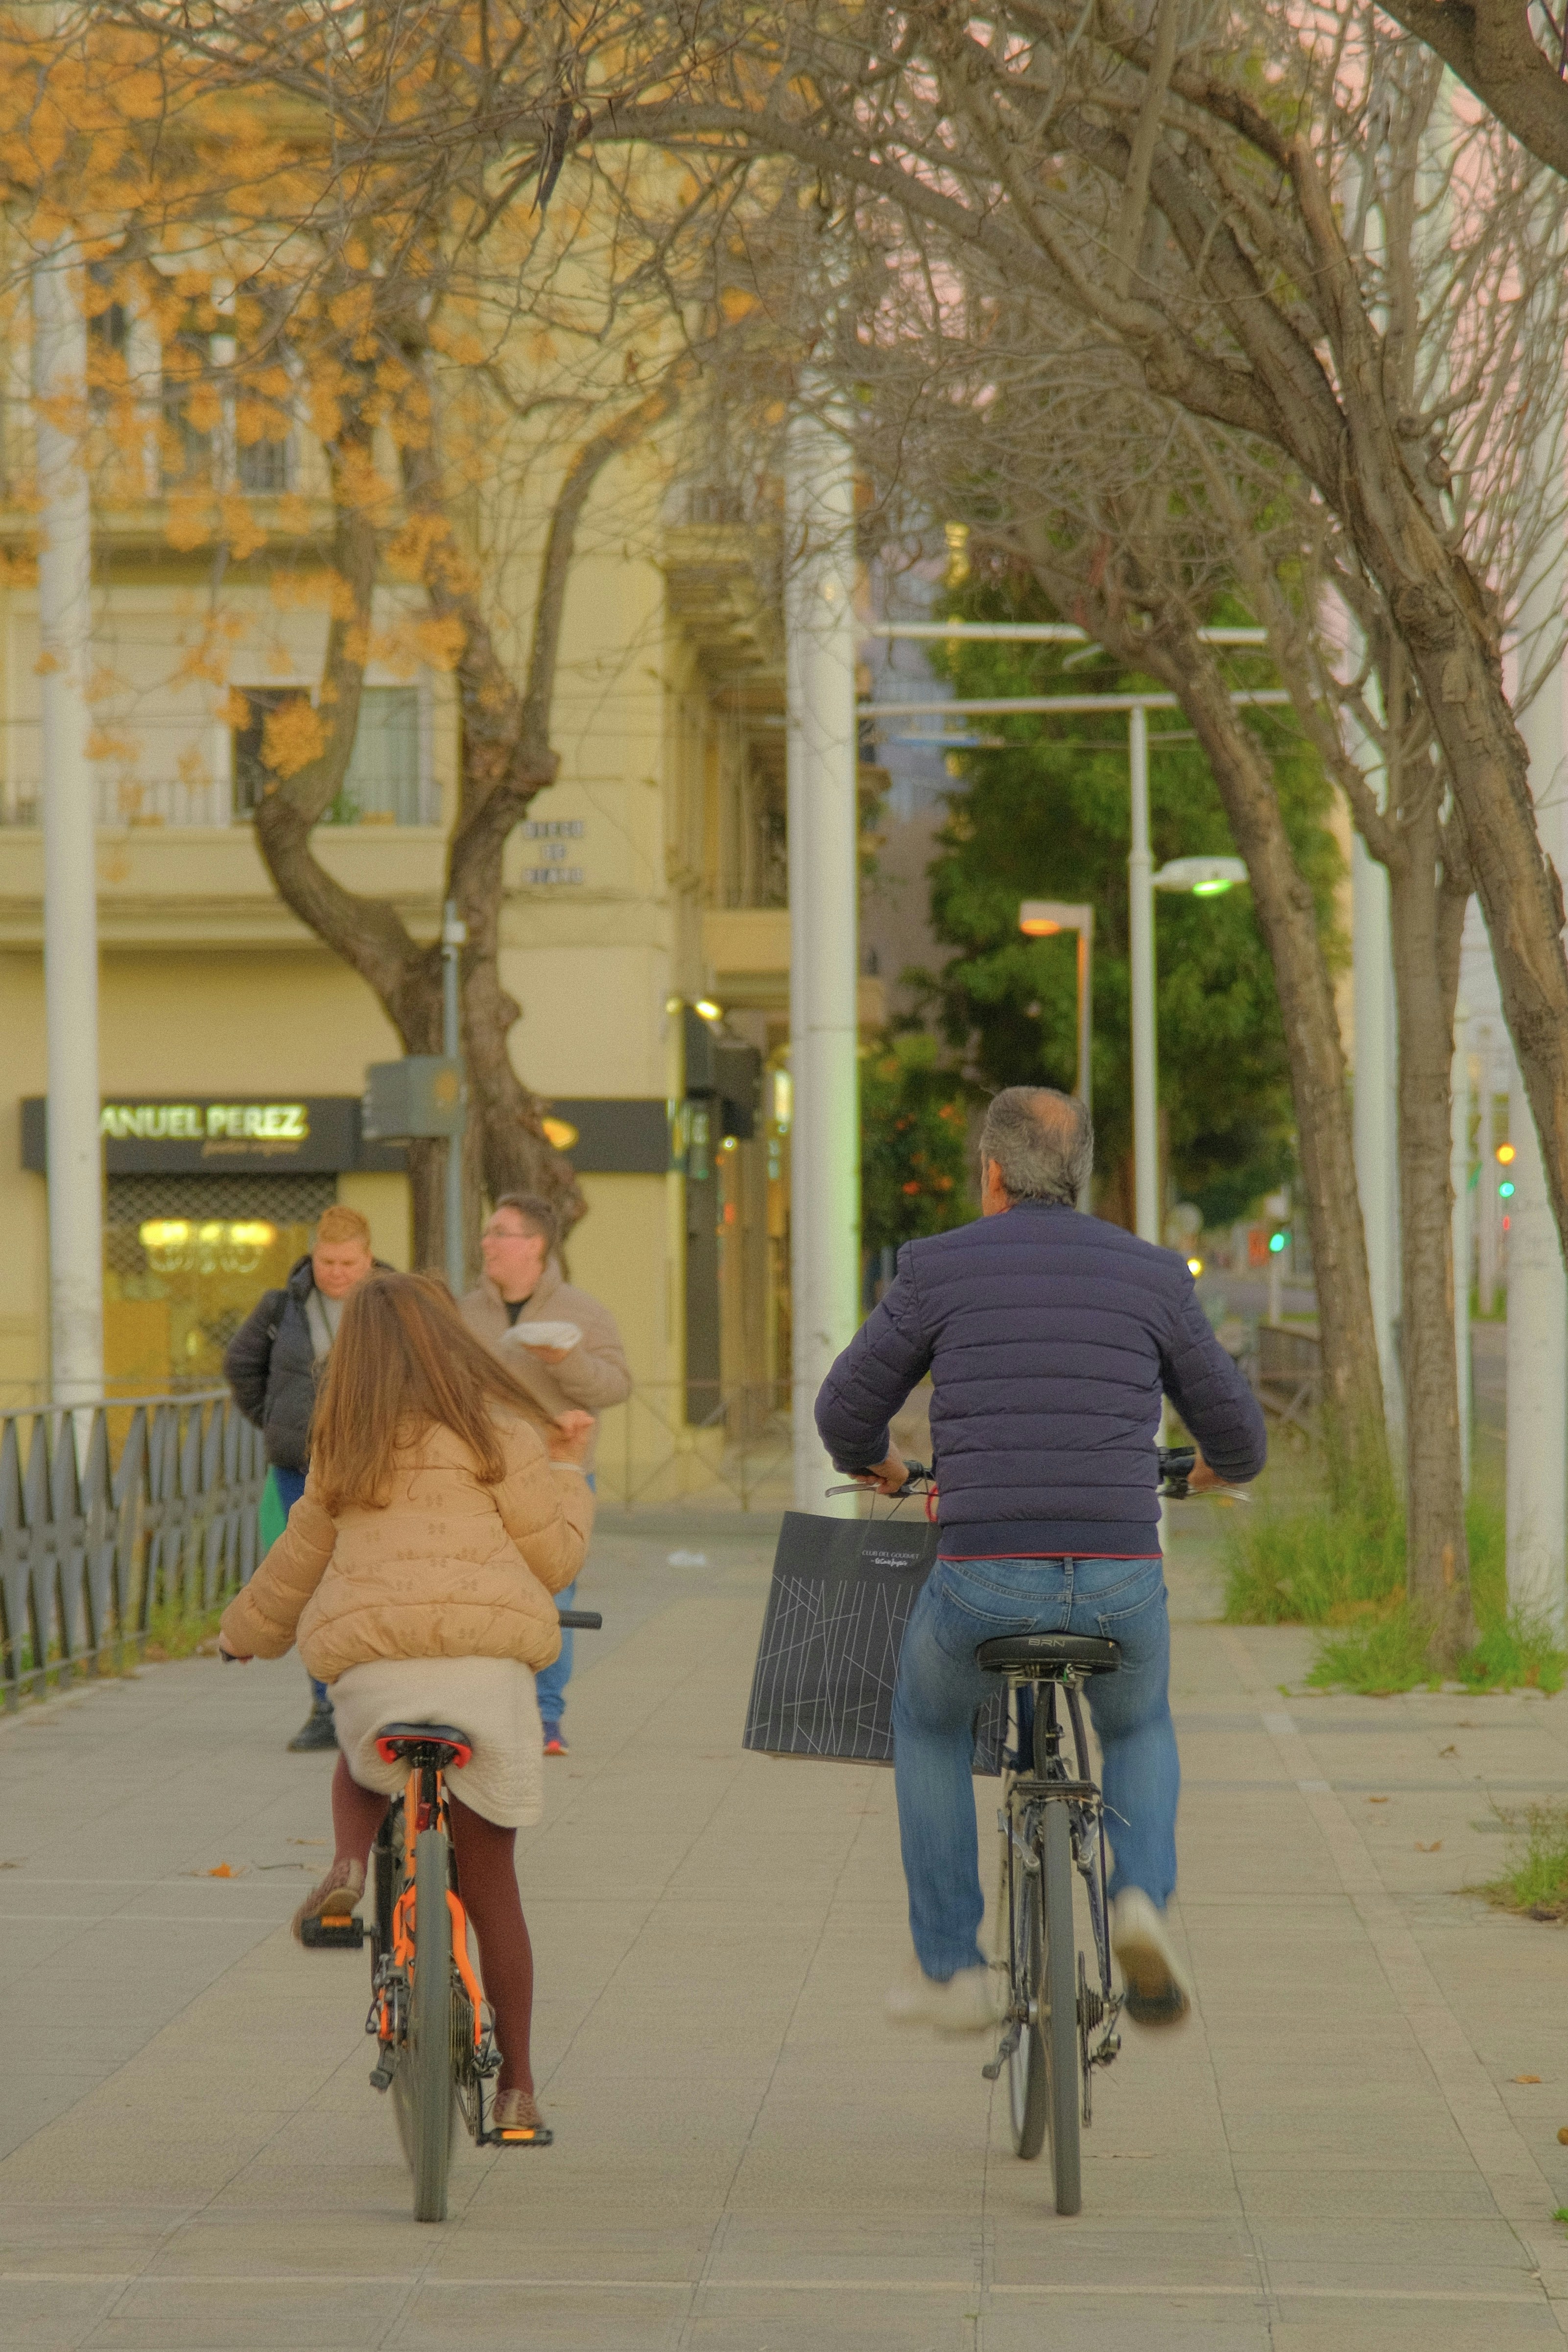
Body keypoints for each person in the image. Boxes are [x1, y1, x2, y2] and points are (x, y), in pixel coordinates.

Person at [814, 1086, 1266, 2037]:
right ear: (1079, 1173)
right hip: (1116, 1574)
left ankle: (949, 1966)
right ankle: (1137, 1895)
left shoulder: (935, 1268)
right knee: (1137, 1725)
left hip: (982, 1572)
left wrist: (888, 1465)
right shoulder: (1150, 1274)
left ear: (989, 1171)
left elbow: (841, 1413)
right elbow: (1239, 1434)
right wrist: (1209, 1472)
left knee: (929, 1720)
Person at [217, 1270, 593, 2141]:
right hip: (484, 1677)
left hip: (376, 1678)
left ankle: (349, 1864)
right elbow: (556, 1556)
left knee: (362, 1756)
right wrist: (570, 1473)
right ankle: (520, 2092)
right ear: (448, 1343)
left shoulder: (341, 1449)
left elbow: (289, 1573)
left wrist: (242, 1635)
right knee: (494, 1886)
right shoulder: (499, 1435)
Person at [460, 1193, 630, 1755]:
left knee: (554, 1597)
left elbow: (615, 1387)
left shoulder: (582, 1311)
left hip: (558, 1477)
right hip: (480, 1479)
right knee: (481, 1595)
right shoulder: (465, 1314)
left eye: (499, 1232)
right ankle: (483, 1709)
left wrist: (567, 1363)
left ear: (533, 1244)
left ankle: (546, 1717)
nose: (487, 1243)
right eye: (487, 1234)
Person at [224, 1204, 382, 1751]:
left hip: (371, 1468)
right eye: (325, 1260)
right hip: (301, 1468)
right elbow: (242, 1365)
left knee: (368, 1580)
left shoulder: (392, 1305)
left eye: (347, 1262)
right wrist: (275, 1421)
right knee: (311, 1585)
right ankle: (323, 1705)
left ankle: (374, 1695)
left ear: (368, 1259)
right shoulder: (283, 1307)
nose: (335, 1272)